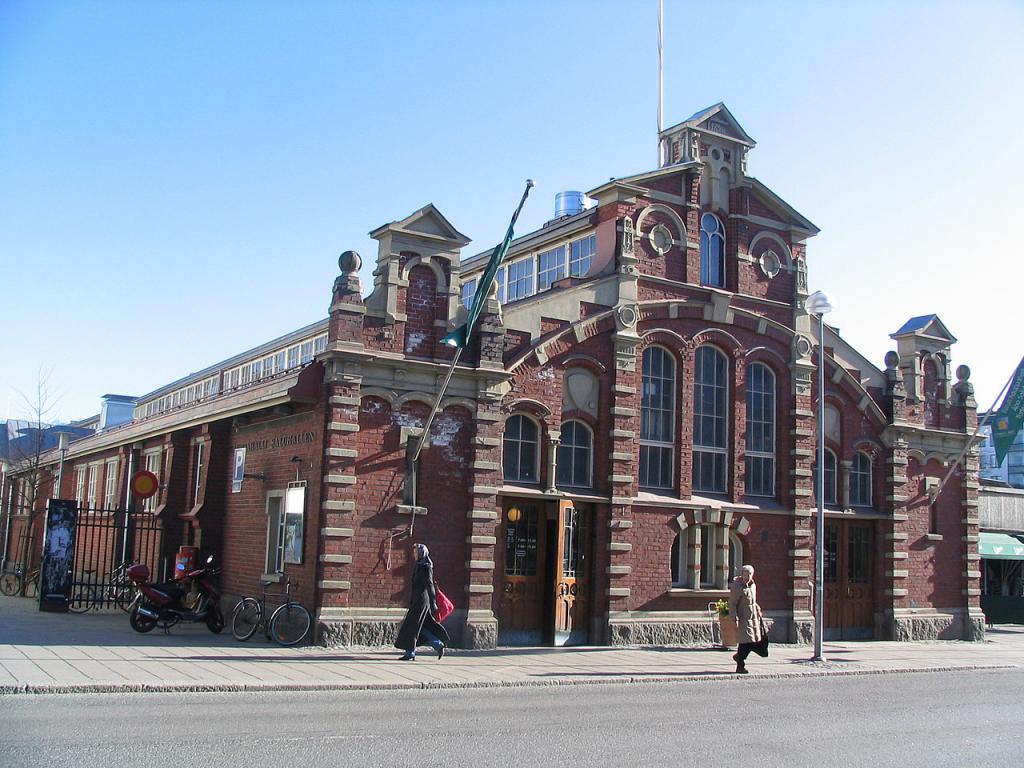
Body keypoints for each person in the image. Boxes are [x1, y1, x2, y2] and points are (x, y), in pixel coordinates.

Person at [394, 543, 449, 661]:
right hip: (417, 600)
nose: (415, 554)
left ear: (422, 553)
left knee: (413, 626)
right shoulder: (419, 565)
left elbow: (429, 586)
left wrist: (433, 602)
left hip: (422, 602)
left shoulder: (426, 567)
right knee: (418, 626)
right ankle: (437, 644)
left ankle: (411, 652)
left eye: (417, 552)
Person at [728, 564, 764, 674]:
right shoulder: (737, 586)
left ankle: (738, 656)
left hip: (753, 618)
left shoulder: (753, 585)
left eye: (749, 575)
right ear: (742, 574)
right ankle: (740, 665)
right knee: (744, 642)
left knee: (753, 642)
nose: (747, 577)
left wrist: (757, 608)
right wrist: (734, 617)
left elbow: (752, 600)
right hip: (743, 618)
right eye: (745, 575)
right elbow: (732, 603)